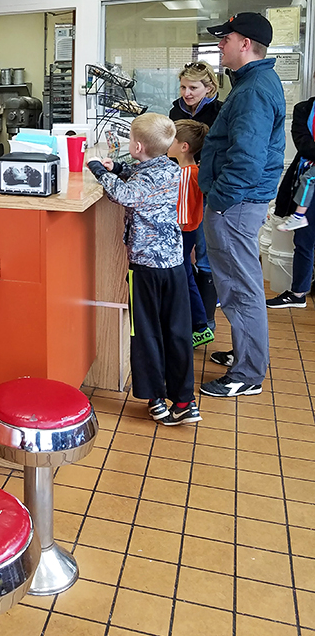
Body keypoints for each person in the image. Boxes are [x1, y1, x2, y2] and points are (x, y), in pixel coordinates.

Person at [87, 113, 200, 426]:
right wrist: (121, 168)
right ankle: (184, 400)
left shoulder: (142, 180)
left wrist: (98, 168)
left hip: (145, 268)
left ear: (137, 145)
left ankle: (155, 399)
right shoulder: (171, 167)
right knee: (177, 331)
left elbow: (125, 195)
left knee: (145, 331)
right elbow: (146, 181)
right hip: (174, 265)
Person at [197, 12, 286, 396]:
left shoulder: (251, 90)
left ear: (244, 43)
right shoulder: (255, 81)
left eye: (225, 39)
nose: (220, 45)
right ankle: (244, 353)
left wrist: (217, 200)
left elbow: (246, 159)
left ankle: (247, 375)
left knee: (240, 288)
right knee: (237, 284)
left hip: (234, 204)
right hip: (241, 201)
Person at [169, 61, 223, 324]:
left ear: (209, 88)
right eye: (183, 87)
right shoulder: (174, 111)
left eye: (193, 87)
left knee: (204, 256)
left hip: (206, 191)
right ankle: (188, 316)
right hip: (181, 190)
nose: (186, 93)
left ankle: (205, 320)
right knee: (184, 258)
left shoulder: (219, 113)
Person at [266, 94, 315, 308]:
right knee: (304, 241)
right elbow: (304, 145)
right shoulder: (304, 109)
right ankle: (298, 293)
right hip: (308, 178)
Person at [169, 120, 214, 348]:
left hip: (182, 231)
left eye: (171, 139)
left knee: (185, 276)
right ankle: (198, 323)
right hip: (190, 231)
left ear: (184, 147)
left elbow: (182, 212)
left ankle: (199, 325)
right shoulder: (192, 171)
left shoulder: (187, 174)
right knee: (186, 274)